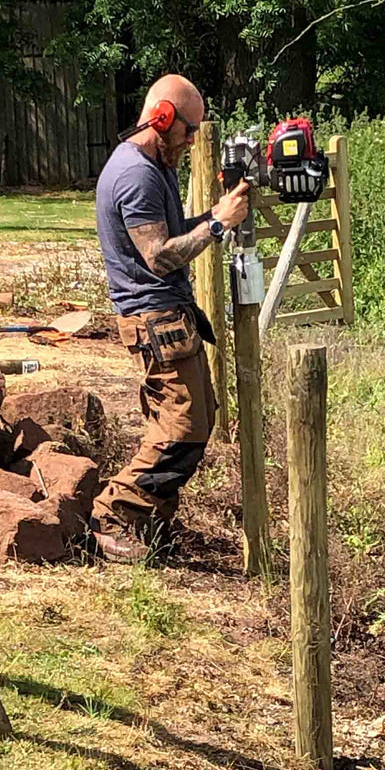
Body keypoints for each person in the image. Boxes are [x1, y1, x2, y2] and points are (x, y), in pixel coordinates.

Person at [90, 74, 250, 562]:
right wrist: (219, 224)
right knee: (183, 429)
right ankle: (113, 516)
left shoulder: (153, 164)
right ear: (161, 117)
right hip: (154, 319)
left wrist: (217, 213)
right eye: (189, 128)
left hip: (169, 317)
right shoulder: (135, 175)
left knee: (197, 420)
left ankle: (150, 520)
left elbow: (172, 232)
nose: (194, 138)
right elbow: (159, 256)